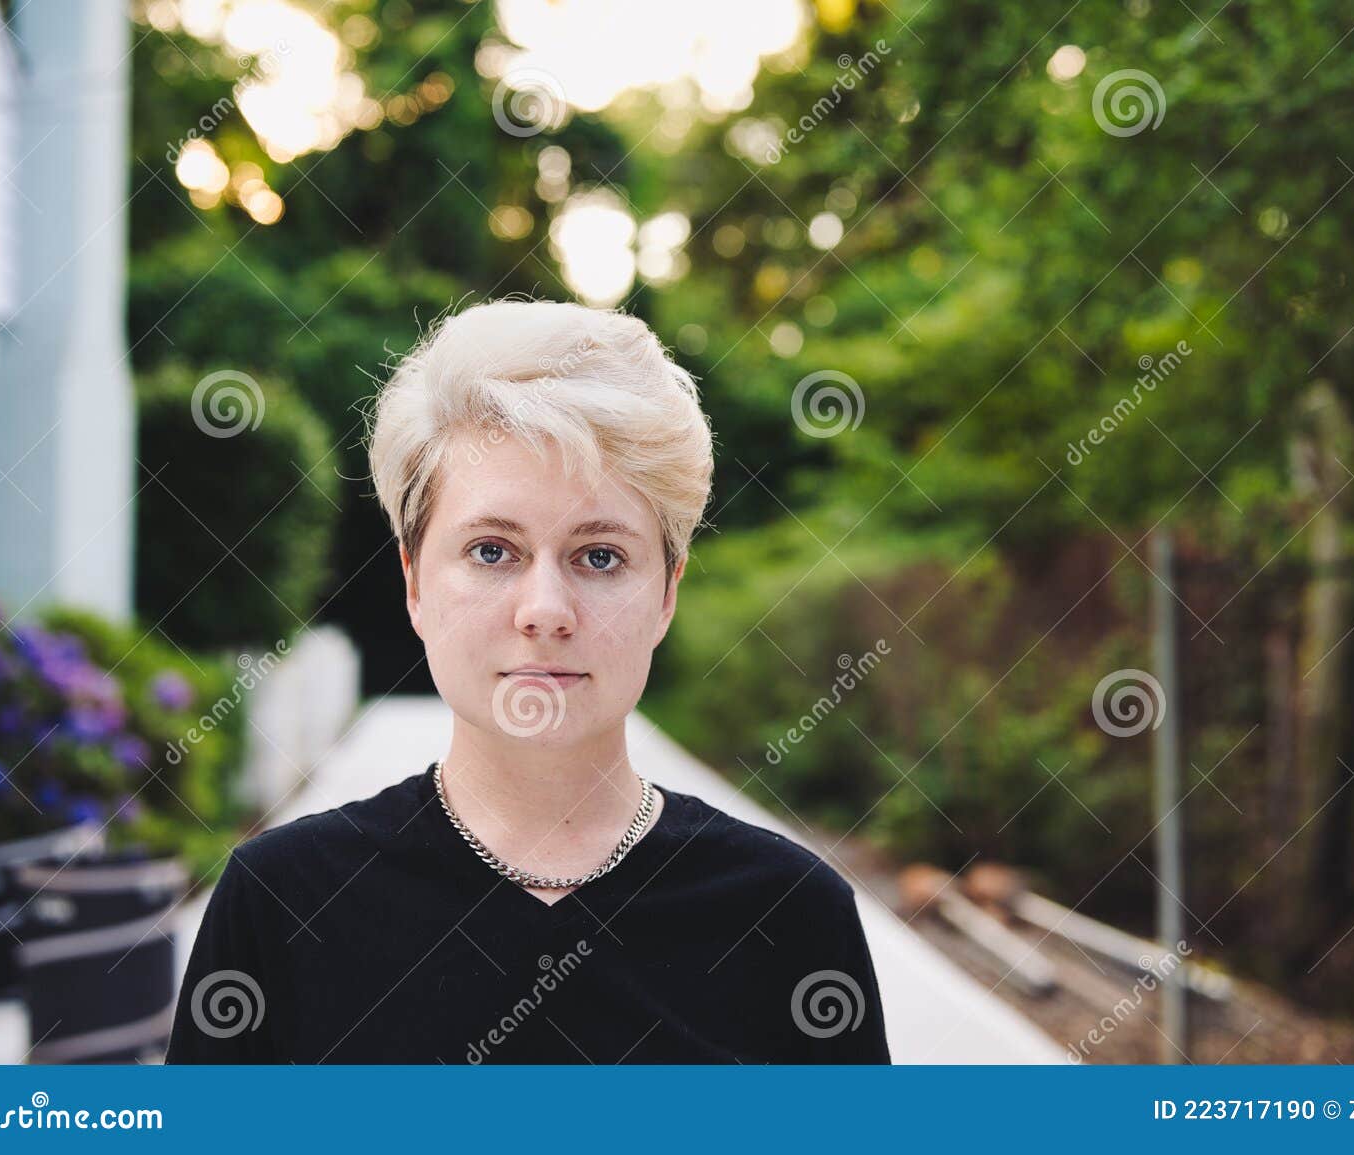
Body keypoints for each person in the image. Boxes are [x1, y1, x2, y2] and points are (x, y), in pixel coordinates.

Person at [165, 298, 890, 1064]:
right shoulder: (281, 904)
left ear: (667, 593)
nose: (545, 610)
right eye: (491, 551)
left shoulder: (788, 917)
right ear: (414, 582)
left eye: (600, 556)